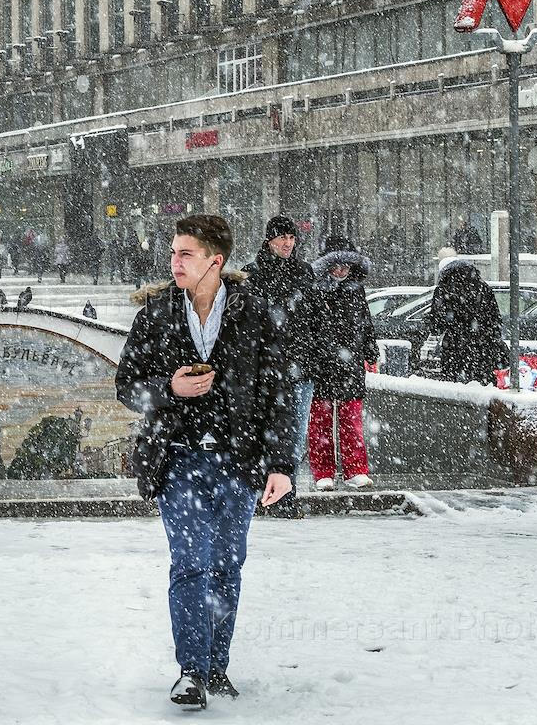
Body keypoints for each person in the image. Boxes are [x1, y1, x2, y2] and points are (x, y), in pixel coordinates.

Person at [115, 214, 296, 711]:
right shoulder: (155, 314)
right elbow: (126, 385)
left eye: (186, 254)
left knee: (227, 566)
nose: (174, 262)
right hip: (177, 460)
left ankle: (218, 668)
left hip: (238, 462)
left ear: (215, 260)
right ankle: (191, 671)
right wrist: (166, 389)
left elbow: (280, 394)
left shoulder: (255, 314)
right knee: (190, 564)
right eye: (173, 253)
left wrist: (282, 465)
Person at [242, 215, 321, 518]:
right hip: (267, 369)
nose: (288, 243)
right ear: (269, 240)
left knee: (296, 434)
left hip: (299, 366)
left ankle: (285, 493)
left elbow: (314, 319)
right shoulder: (255, 275)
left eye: (291, 237)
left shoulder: (303, 273)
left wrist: (314, 356)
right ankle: (267, 493)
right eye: (282, 237)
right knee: (267, 431)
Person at [308, 236, 378, 491]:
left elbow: (365, 323)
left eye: (347, 265)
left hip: (350, 365)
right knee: (320, 422)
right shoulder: (314, 289)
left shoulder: (355, 289)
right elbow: (308, 327)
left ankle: (355, 469)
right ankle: (323, 472)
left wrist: (370, 351)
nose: (342, 270)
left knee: (351, 420)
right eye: (337, 265)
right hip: (322, 364)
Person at [425, 259, 506, 385]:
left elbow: (436, 324)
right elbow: (495, 319)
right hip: (482, 348)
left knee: (454, 388)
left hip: (455, 347)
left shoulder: (444, 290)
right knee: (482, 387)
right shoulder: (483, 288)